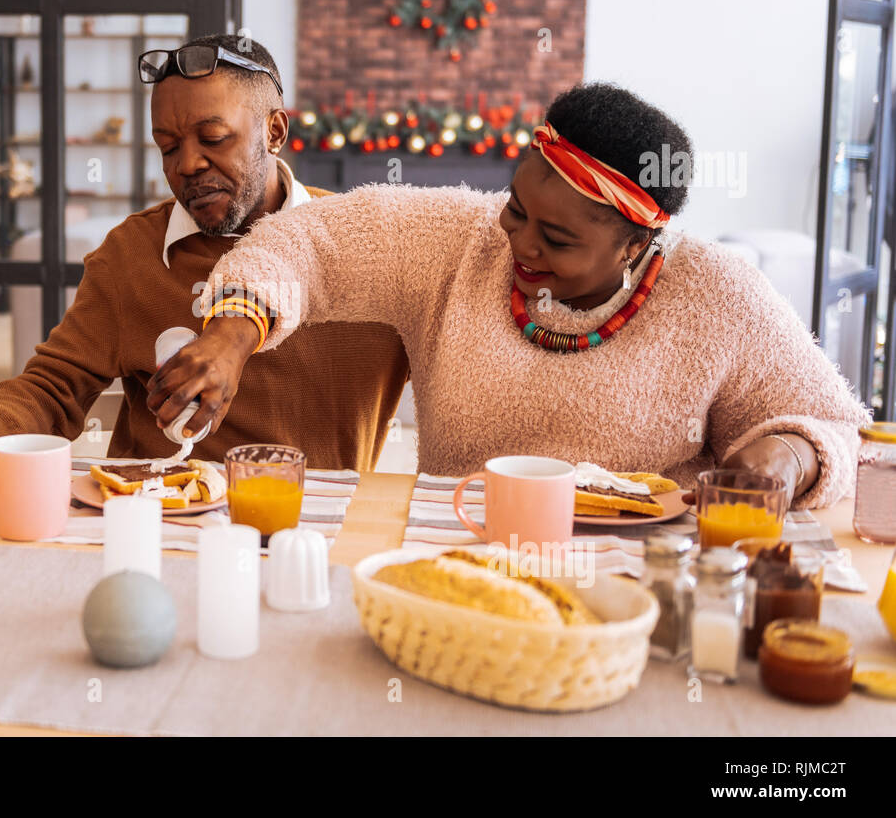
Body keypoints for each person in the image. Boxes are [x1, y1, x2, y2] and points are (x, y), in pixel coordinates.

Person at [148, 83, 870, 509]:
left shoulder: (719, 295)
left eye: (556, 241)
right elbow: (311, 240)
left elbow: (832, 425)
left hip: (639, 586)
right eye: (517, 208)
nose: (518, 244)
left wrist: (788, 455)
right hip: (455, 563)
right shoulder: (458, 241)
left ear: (633, 246)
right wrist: (233, 328)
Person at [0, 34, 408, 478]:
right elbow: (55, 386)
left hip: (310, 529)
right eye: (167, 147)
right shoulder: (132, 254)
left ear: (274, 132)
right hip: (155, 520)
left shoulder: (370, 248)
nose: (187, 164)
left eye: (213, 138)